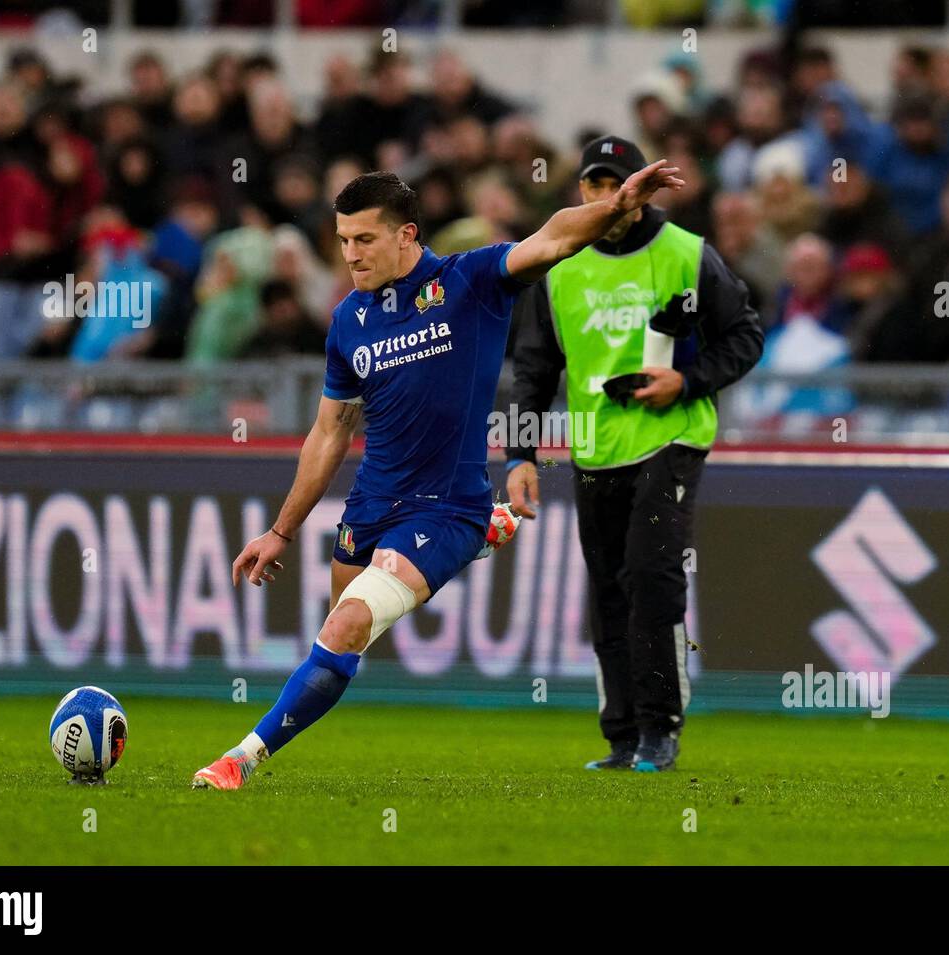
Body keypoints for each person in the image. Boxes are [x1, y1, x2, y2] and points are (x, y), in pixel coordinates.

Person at [192, 160, 685, 789]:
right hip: (372, 505)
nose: (351, 254)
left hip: (444, 505)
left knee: (345, 629)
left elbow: (555, 235)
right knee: (340, 630)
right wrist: (282, 532)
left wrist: (616, 207)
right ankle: (486, 531)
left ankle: (241, 759)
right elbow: (330, 430)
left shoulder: (469, 281)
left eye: (364, 239)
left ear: (406, 234)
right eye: (342, 241)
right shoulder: (349, 320)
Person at [505, 137, 764, 772]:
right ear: (580, 193)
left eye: (614, 183)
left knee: (651, 576)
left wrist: (690, 380)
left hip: (669, 437)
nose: (603, 196)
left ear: (641, 189)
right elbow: (534, 370)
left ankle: (660, 730)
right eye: (592, 184)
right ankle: (622, 737)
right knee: (609, 592)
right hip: (594, 450)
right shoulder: (559, 267)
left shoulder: (685, 254)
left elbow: (745, 334)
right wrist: (520, 455)